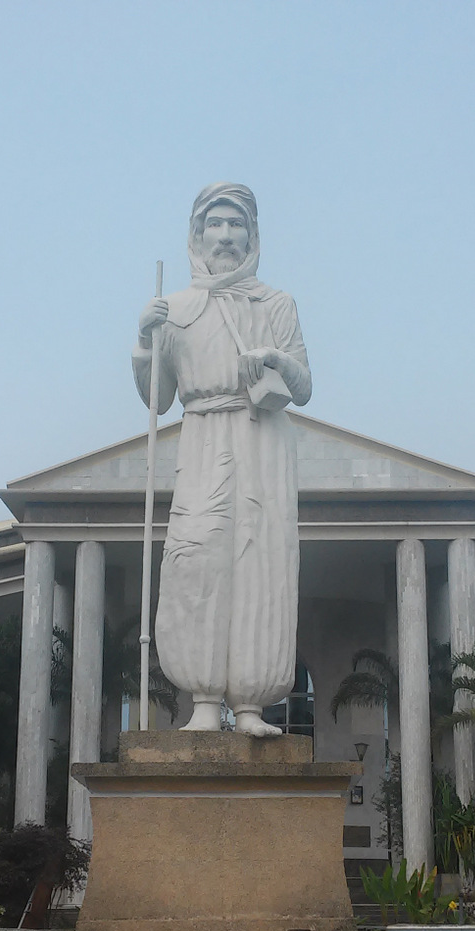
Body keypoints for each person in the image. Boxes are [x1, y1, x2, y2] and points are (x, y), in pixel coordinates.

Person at [133, 182, 312, 736]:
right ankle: (205, 702)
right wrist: (145, 340)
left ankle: (252, 705)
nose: (227, 235)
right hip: (203, 436)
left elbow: (303, 387)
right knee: (196, 560)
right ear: (199, 234)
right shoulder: (175, 309)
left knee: (260, 564)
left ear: (252, 236)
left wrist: (275, 357)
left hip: (263, 439)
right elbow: (158, 399)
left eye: (237, 224)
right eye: (217, 224)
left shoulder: (276, 304)